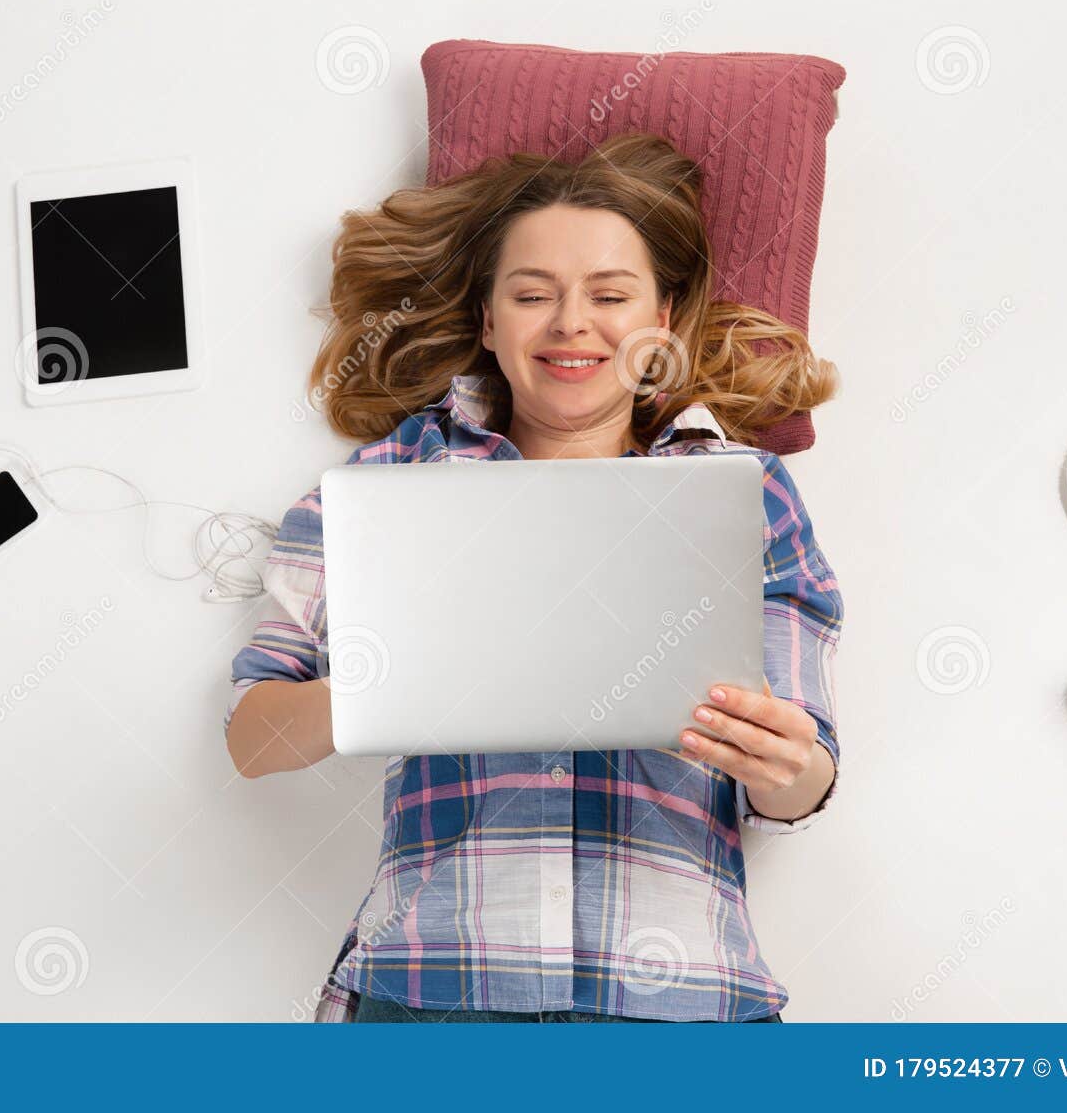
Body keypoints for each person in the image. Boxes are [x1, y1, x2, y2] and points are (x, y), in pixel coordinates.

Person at [224, 133, 843, 1023]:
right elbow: (253, 740)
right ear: (488, 320)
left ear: (662, 319)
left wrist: (784, 762)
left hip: (684, 1007)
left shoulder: (746, 494)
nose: (570, 324)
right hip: (433, 998)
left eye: (610, 295)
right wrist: (391, 678)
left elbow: (801, 784)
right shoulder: (388, 484)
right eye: (531, 294)